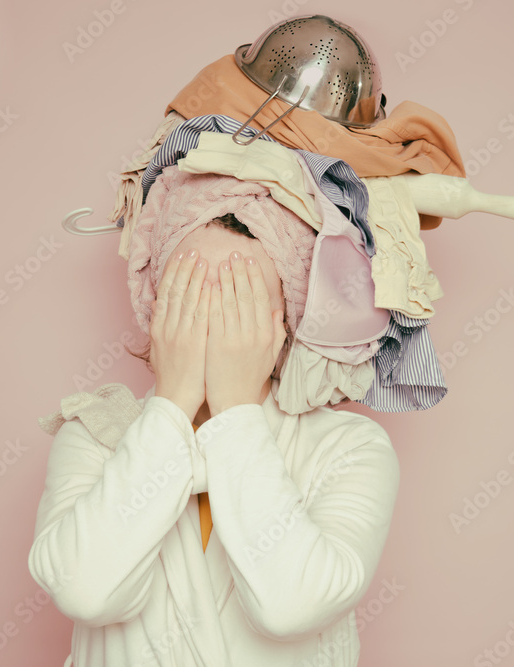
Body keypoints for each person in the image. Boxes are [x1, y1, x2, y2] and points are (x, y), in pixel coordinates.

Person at [28, 168, 401, 666]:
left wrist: (236, 410)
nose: (210, 319)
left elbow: (291, 605)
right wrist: (173, 401)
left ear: (284, 323)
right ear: (154, 308)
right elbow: (87, 592)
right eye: (188, 294)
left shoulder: (349, 448)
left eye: (238, 299)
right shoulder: (95, 432)